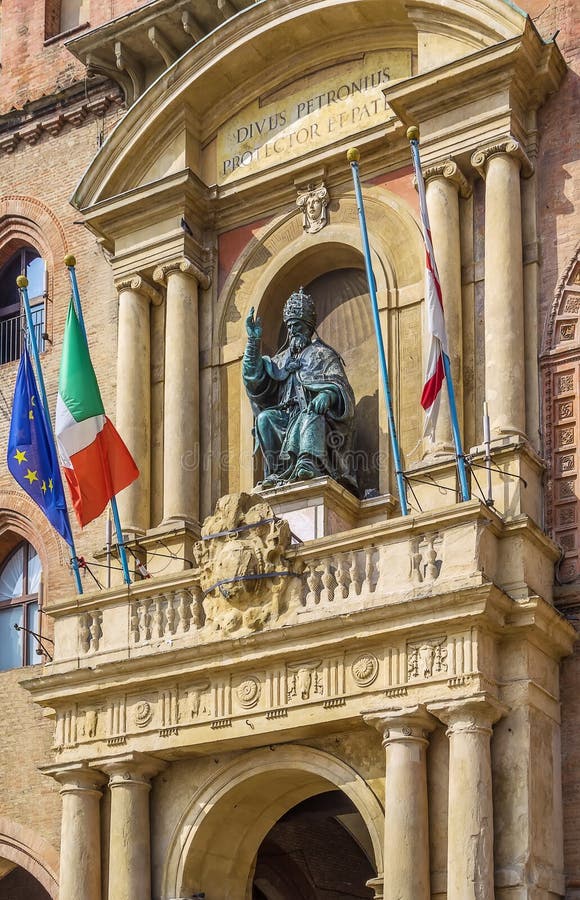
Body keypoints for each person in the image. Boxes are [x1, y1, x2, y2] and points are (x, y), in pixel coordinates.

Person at [242, 287, 357, 491]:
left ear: (308, 327)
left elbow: (341, 387)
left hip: (314, 414)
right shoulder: (281, 360)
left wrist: (327, 395)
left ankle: (308, 464)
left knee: (311, 415)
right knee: (265, 419)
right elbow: (254, 380)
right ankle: (278, 472)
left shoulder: (323, 354)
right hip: (285, 416)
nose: (293, 330)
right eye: (289, 326)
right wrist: (253, 343)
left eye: (297, 326)